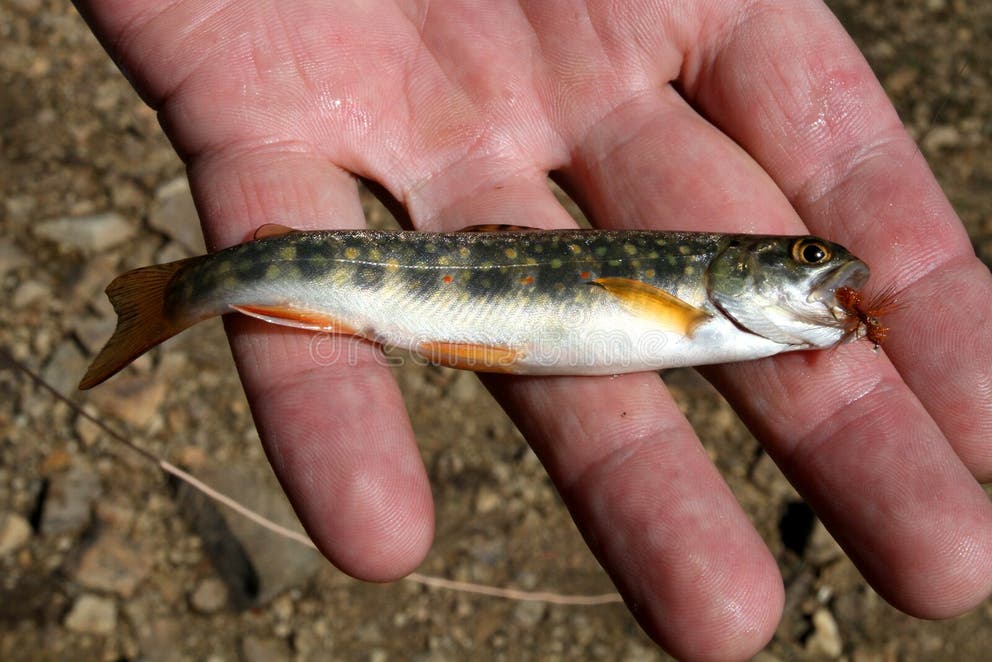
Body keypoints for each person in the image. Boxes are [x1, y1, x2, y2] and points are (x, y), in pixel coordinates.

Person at [74, 2, 991, 658]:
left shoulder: (720, 310)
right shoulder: (696, 299)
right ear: (738, 265)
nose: (827, 277)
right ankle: (174, 297)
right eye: (800, 259)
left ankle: (179, 295)